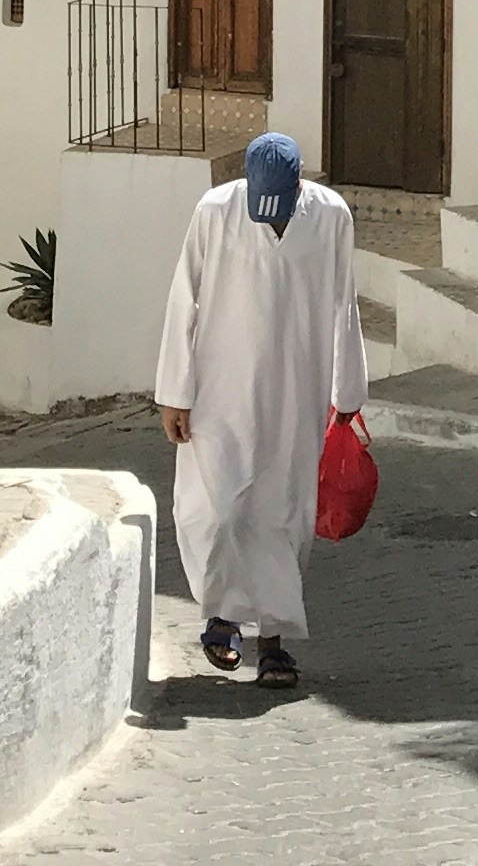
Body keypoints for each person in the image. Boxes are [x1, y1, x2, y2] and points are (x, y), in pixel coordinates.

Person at [153, 130, 367, 688]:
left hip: (297, 385)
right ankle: (220, 617)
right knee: (218, 507)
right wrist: (175, 390)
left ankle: (273, 640)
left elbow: (344, 301)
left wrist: (347, 394)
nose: (270, 218)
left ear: (300, 185)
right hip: (219, 387)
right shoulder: (215, 211)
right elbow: (184, 299)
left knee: (283, 512)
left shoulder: (332, 217)